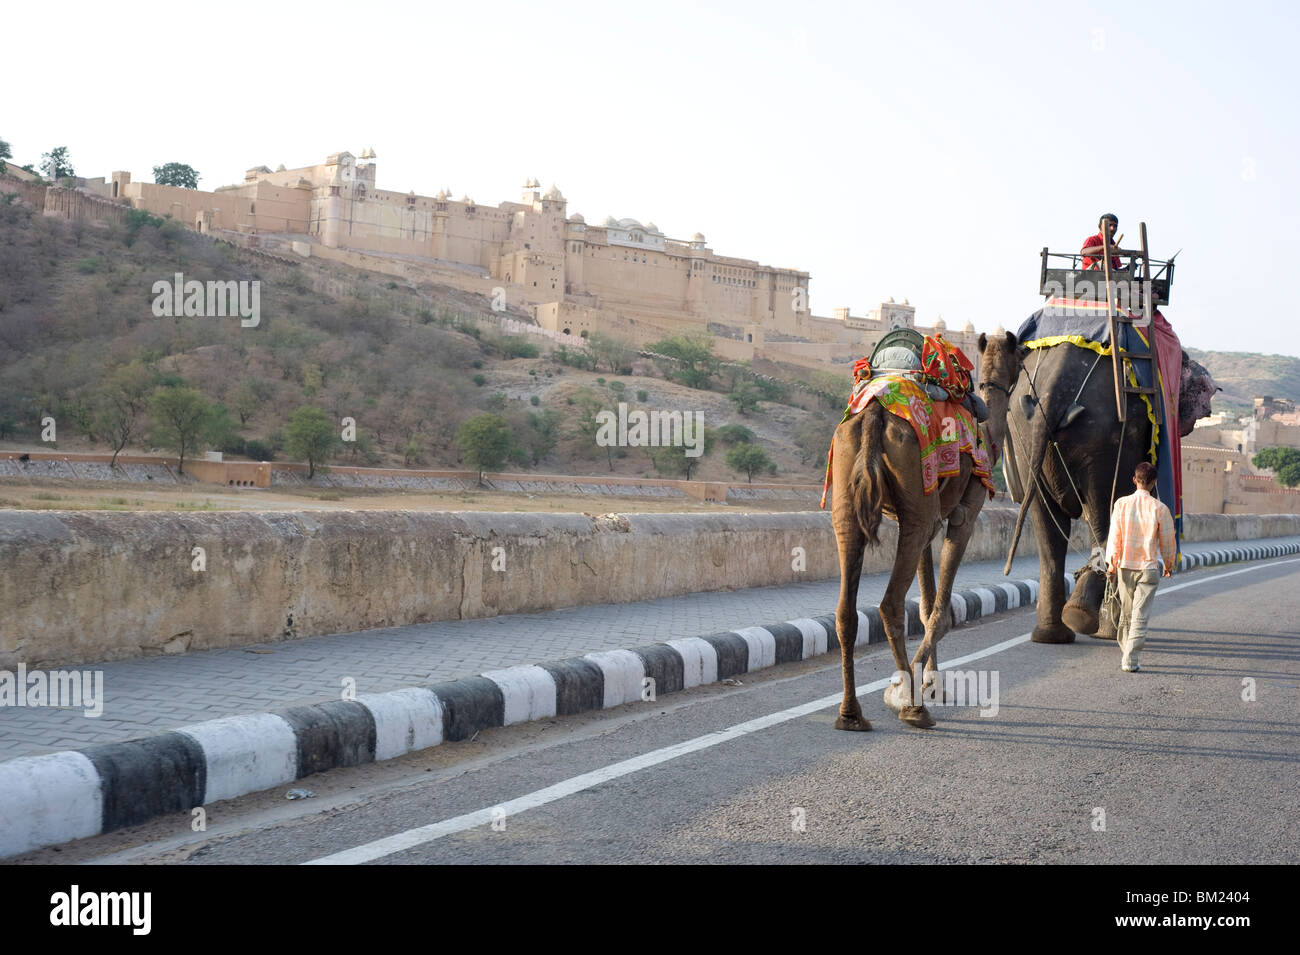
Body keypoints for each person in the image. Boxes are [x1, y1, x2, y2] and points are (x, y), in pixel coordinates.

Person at [1104, 461, 1176, 672]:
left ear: (1135, 480)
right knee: (1139, 615)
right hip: (1148, 568)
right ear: (1154, 483)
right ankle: (1130, 656)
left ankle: (1128, 655)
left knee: (1127, 614)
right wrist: (1169, 563)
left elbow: (1114, 537)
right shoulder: (1160, 508)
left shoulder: (1121, 504)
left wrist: (1111, 563)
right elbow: (1168, 540)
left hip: (1125, 567)